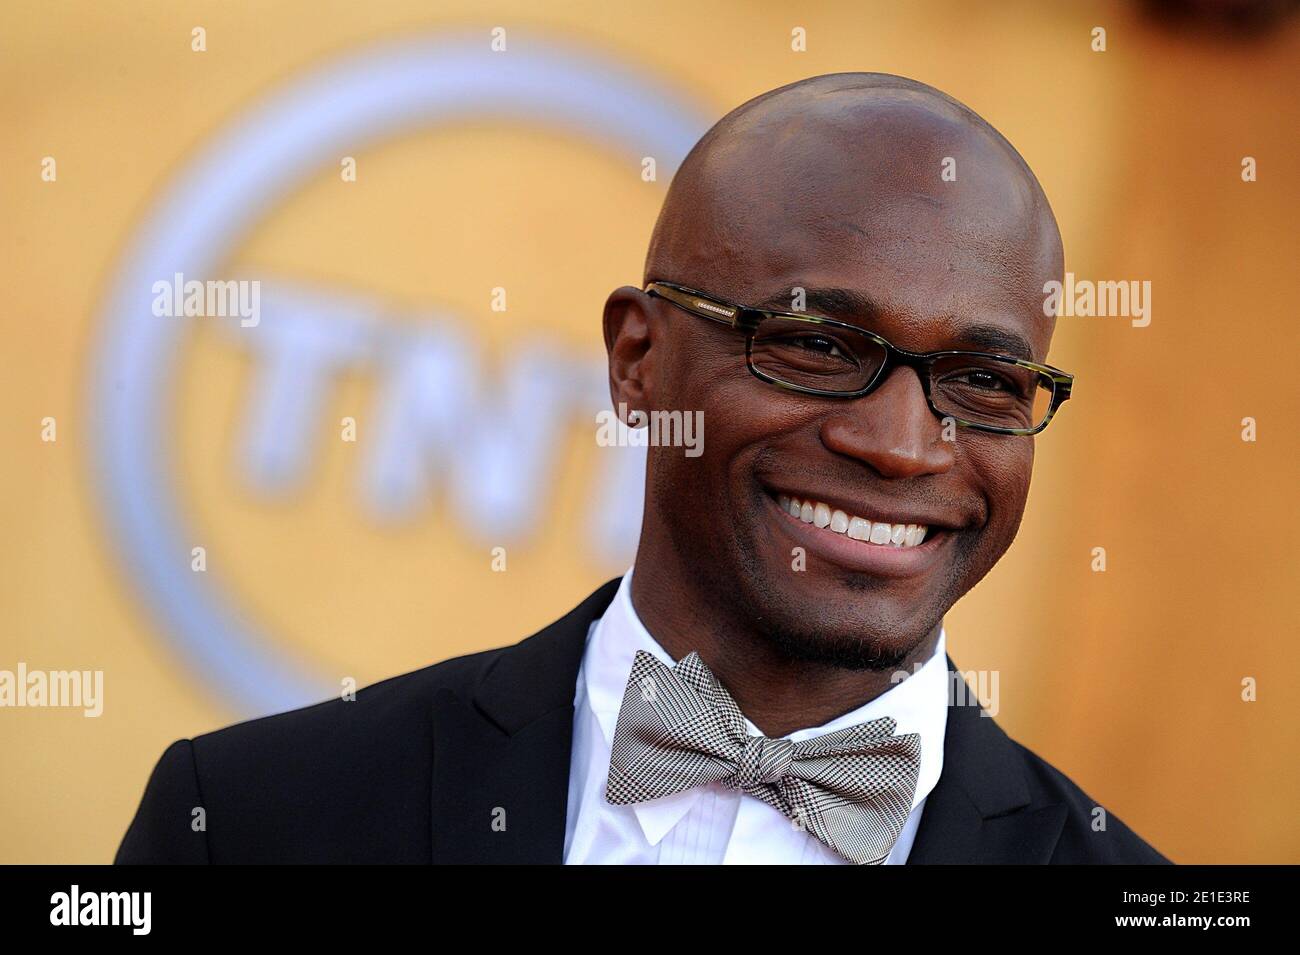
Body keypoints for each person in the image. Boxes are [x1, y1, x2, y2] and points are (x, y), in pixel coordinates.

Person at [117, 72, 1168, 865]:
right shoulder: (251, 818)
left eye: (984, 377)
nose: (900, 445)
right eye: (817, 345)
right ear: (638, 360)